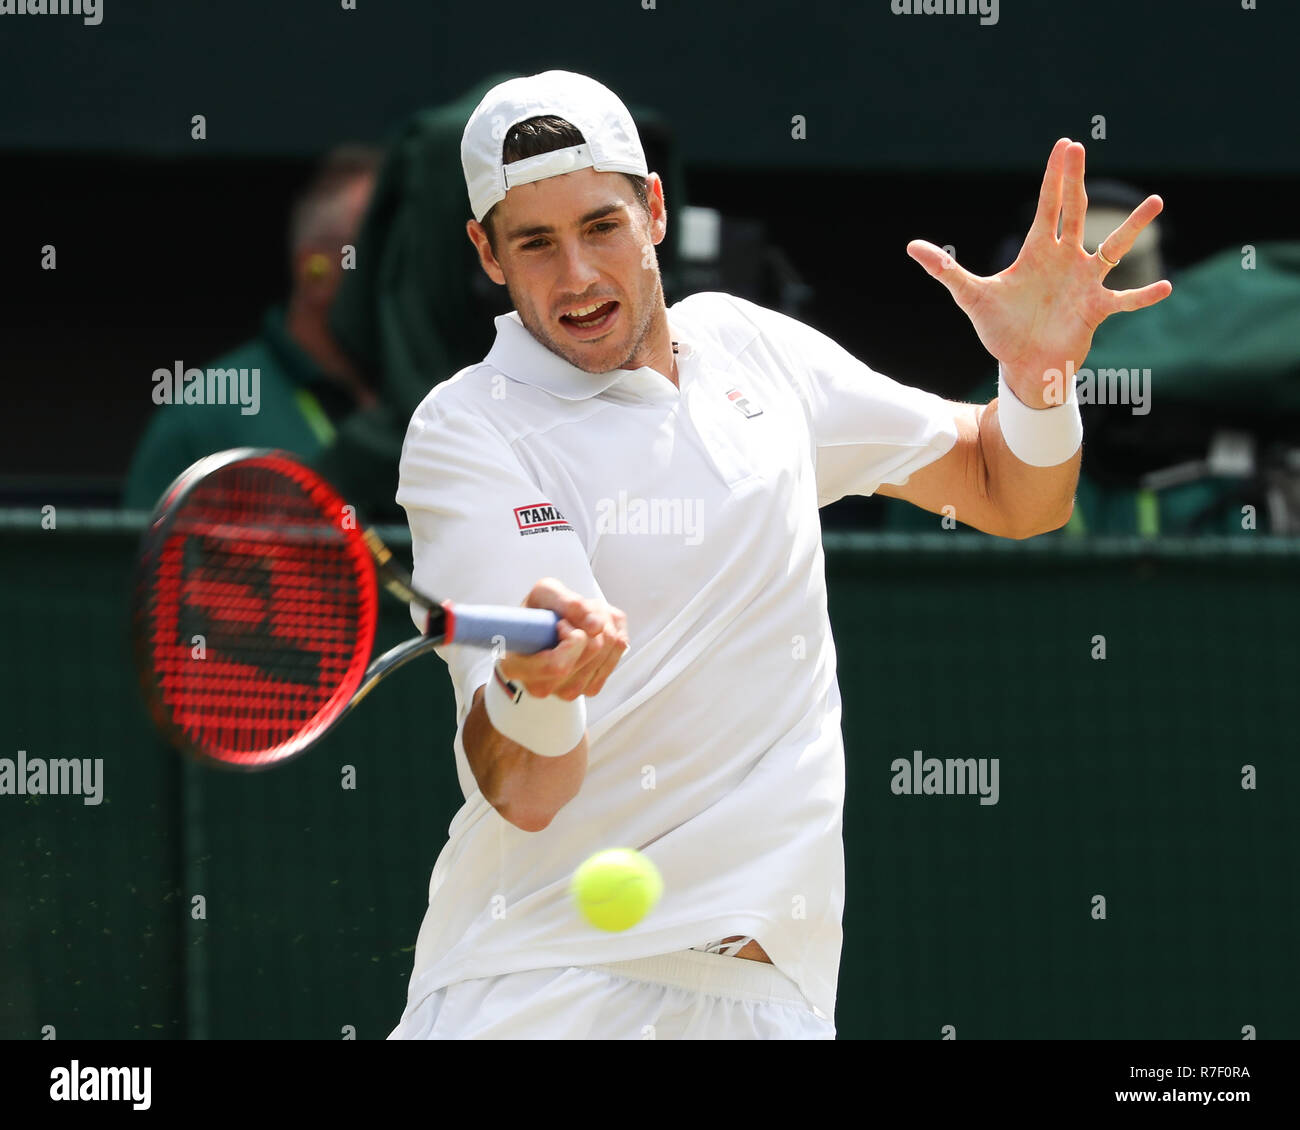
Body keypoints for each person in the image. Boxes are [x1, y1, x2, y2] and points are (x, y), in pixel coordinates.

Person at [388, 70, 1171, 1040]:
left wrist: (1038, 377)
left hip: (770, 999)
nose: (578, 276)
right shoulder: (468, 428)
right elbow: (527, 786)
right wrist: (535, 688)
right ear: (486, 254)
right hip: (538, 984)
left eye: (599, 226)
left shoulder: (753, 351)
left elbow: (1011, 491)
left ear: (655, 210)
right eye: (535, 243)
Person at [122, 145, 382, 510]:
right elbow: (143, 562)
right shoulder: (207, 414)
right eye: (382, 252)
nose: (409, 277)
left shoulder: (437, 399)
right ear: (315, 272)